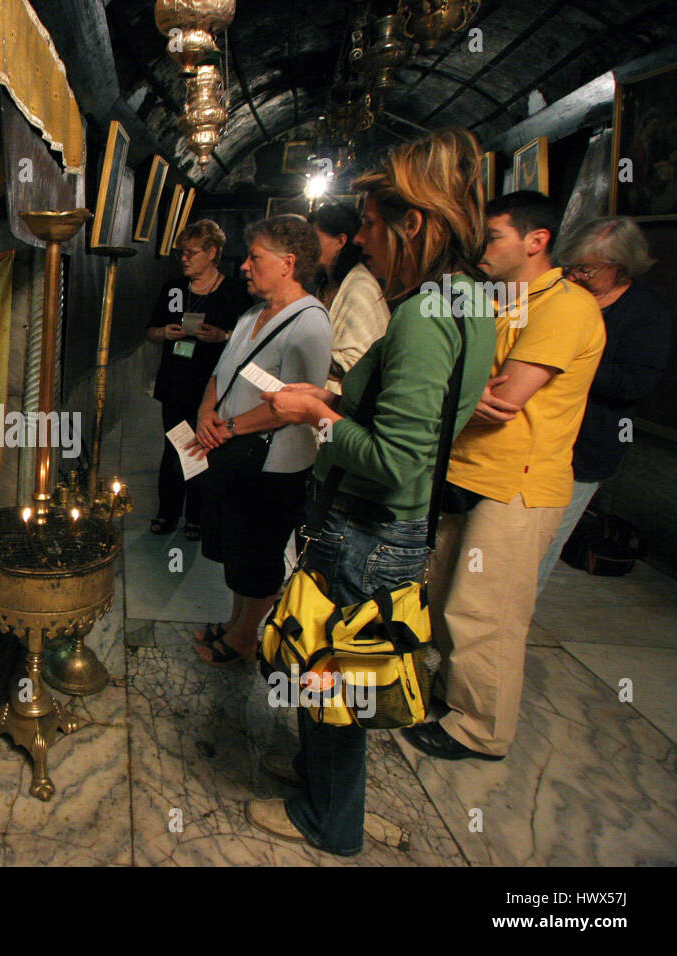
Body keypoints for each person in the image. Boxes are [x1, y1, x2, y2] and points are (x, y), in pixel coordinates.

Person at [251, 128, 497, 855]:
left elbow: (397, 455)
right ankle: (316, 779)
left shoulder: (424, 317)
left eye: (369, 224)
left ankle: (329, 821)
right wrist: (335, 402)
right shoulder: (471, 300)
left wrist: (317, 415)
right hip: (390, 526)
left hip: (366, 525)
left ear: (412, 222)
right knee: (335, 670)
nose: (362, 240)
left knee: (332, 680)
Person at [402, 190, 604, 762]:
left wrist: (452, 391)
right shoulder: (497, 300)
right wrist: (460, 391)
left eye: (493, 237)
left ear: (536, 241)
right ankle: (450, 694)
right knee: (442, 598)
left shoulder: (565, 306)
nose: (480, 248)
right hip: (468, 470)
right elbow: (467, 390)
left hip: (519, 483)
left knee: (485, 610)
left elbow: (505, 398)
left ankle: (480, 730)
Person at [185, 216, 331, 667]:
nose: (245, 266)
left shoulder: (309, 323)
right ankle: (234, 622)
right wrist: (206, 412)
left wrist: (227, 428)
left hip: (273, 464)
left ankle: (246, 638)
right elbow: (222, 372)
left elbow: (292, 404)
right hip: (235, 453)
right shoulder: (253, 313)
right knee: (236, 549)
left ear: (288, 263)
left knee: (259, 554)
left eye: (256, 257)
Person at [534, 217, 672, 593]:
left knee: (542, 548)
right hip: (535, 437)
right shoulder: (564, 289)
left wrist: (573, 360)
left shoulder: (647, 312)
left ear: (620, 267)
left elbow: (634, 383)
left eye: (587, 269)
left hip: (587, 446)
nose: (576, 275)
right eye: (574, 265)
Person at [146, 220, 250, 540]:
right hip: (176, 382)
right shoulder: (174, 289)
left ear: (212, 252)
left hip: (212, 387)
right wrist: (164, 332)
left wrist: (223, 335)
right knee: (175, 446)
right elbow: (150, 331)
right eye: (181, 253)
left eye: (191, 252)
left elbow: (248, 339)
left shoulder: (233, 292)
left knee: (204, 448)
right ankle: (168, 511)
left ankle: (197, 515)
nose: (184, 259)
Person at [308, 202, 391, 394]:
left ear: (340, 241)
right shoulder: (326, 284)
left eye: (314, 239)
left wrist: (298, 349)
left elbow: (357, 363)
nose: (308, 247)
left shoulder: (360, 287)